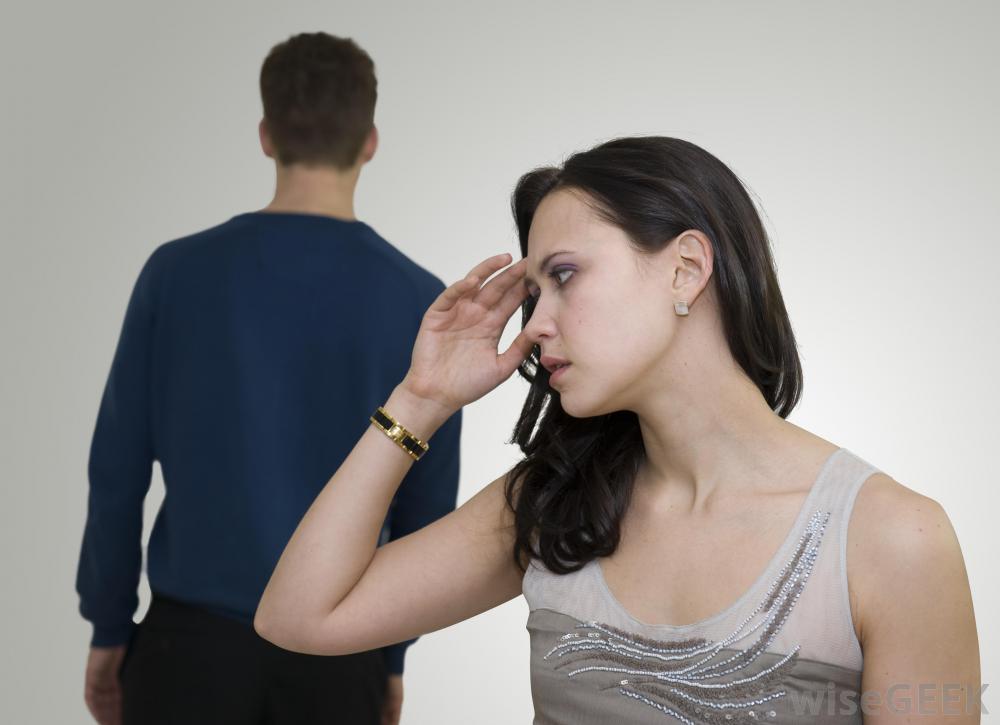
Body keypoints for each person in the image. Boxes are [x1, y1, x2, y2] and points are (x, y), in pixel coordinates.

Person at [254, 136, 982, 723]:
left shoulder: (890, 539)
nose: (534, 326)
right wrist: (420, 400)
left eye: (565, 276)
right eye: (533, 292)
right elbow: (300, 617)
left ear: (685, 269)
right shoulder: (557, 503)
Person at [76, 32, 462, 725]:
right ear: (370, 142)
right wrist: (390, 658)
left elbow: (117, 471)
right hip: (341, 650)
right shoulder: (419, 301)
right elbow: (426, 510)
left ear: (265, 135)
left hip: (188, 648)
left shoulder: (176, 274)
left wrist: (108, 626)